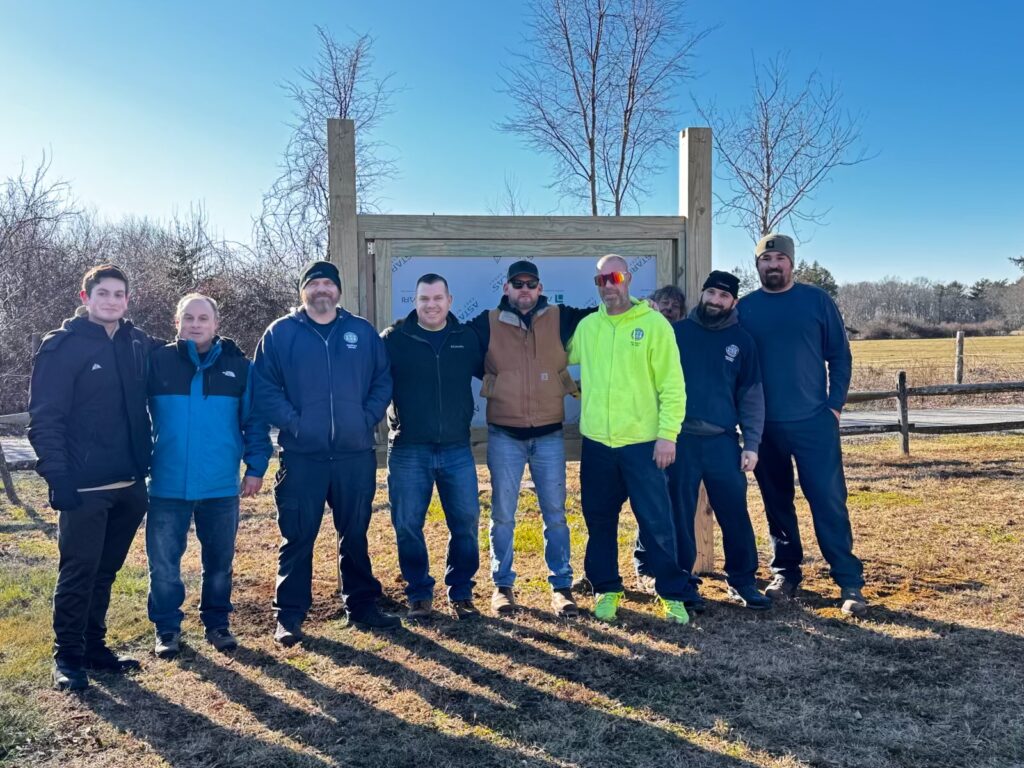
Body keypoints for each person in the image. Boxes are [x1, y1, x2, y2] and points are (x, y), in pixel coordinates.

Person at [253, 260, 399, 646]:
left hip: (354, 454)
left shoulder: (360, 332)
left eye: (328, 284)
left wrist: (366, 417)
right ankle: (290, 615)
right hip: (303, 456)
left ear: (338, 290)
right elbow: (265, 388)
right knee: (298, 537)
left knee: (355, 534)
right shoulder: (281, 333)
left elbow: (382, 380)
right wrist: (296, 423)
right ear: (303, 291)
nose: (321, 290)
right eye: (314, 284)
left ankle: (362, 606)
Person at [28, 264, 156, 690]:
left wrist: (224, 349)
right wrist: (58, 478)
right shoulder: (62, 348)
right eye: (103, 293)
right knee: (78, 573)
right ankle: (66, 657)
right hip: (84, 488)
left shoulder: (136, 343)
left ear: (127, 300)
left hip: (129, 486)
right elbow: (45, 419)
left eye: (119, 294)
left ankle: (94, 648)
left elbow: (183, 353)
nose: (112, 301)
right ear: (85, 298)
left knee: (106, 573)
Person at [738, 234, 867, 616]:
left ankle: (848, 581)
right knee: (777, 504)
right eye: (766, 259)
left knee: (827, 502)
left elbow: (840, 357)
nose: (773, 265)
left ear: (791, 263)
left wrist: (834, 408)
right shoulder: (745, 309)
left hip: (814, 423)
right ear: (756, 264)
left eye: (779, 258)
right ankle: (786, 574)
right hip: (765, 428)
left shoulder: (817, 302)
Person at [635, 271, 771, 611]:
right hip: (677, 441)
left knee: (735, 513)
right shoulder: (675, 334)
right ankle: (683, 582)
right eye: (711, 293)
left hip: (722, 442)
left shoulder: (742, 342)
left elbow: (751, 396)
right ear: (702, 294)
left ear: (733, 302)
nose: (716, 300)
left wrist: (751, 444)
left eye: (724, 297)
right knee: (678, 514)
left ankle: (742, 580)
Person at [146, 294, 272, 659]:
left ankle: (217, 624)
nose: (196, 324)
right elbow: (132, 419)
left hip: (220, 486)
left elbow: (254, 421)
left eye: (204, 318)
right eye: (189, 318)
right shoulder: (157, 364)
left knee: (219, 564)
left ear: (217, 324)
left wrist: (256, 467)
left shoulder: (239, 367)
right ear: (177, 322)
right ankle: (167, 629)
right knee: (165, 565)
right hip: (167, 485)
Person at [567, 254, 691, 624]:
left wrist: (667, 435)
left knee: (656, 521)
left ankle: (670, 592)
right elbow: (553, 358)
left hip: (643, 444)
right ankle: (606, 588)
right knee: (599, 520)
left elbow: (673, 385)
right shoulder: (588, 328)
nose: (609, 284)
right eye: (601, 279)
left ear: (628, 278)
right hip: (598, 444)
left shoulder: (654, 325)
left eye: (615, 276)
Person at [468, 260, 595, 618]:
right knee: (503, 515)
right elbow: (454, 342)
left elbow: (607, 313)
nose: (524, 290)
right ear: (506, 288)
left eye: (531, 284)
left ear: (540, 288)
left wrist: (641, 306)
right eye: (517, 284)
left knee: (555, 514)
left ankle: (561, 587)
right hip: (505, 434)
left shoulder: (562, 317)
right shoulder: (486, 322)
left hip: (550, 434)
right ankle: (503, 586)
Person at [382, 274, 486, 621]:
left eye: (438, 298)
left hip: (456, 448)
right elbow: (368, 380)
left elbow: (501, 371)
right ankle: (419, 593)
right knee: (408, 524)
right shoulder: (395, 339)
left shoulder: (466, 338)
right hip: (409, 448)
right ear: (414, 301)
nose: (431, 304)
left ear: (450, 300)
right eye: (424, 298)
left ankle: (461, 591)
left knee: (467, 522)